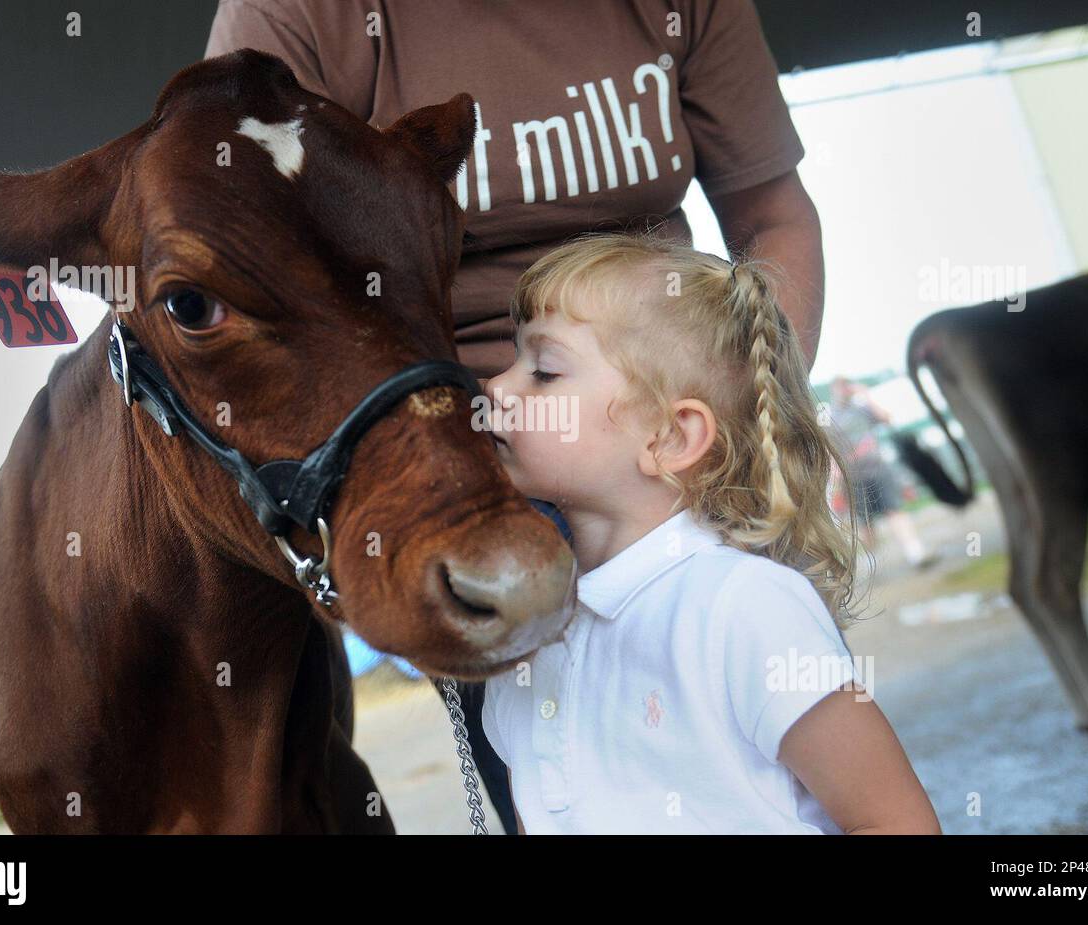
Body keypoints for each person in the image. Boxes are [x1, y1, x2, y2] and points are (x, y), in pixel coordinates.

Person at [206, 0, 825, 833]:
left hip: (666, 406)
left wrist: (754, 420)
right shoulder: (303, 14)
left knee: (736, 666)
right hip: (445, 436)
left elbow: (773, 214)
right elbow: (241, 256)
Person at [479, 232, 940, 833]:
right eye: (513, 359)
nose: (495, 387)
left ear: (670, 438)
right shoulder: (529, 632)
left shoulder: (745, 606)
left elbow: (896, 823)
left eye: (542, 371)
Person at [828, 376, 938, 570]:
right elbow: (831, 453)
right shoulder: (830, 419)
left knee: (895, 509)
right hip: (853, 476)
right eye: (841, 386)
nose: (844, 390)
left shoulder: (862, 409)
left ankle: (915, 553)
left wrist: (866, 396)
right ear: (834, 390)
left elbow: (886, 419)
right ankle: (873, 561)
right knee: (865, 523)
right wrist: (837, 482)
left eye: (847, 385)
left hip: (878, 469)